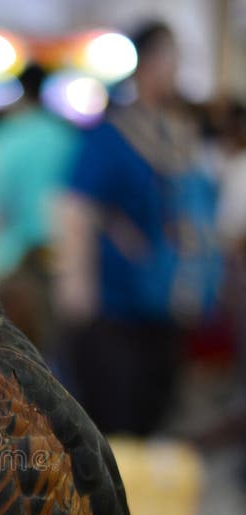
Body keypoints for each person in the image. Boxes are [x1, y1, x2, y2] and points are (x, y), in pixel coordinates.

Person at [57, 22, 221, 436]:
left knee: (156, 405)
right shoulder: (113, 135)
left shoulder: (181, 135)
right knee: (117, 411)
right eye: (168, 55)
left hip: (170, 298)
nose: (175, 67)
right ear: (144, 63)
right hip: (117, 302)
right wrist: (77, 286)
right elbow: (77, 209)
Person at [0, 63, 79, 356]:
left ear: (20, 93)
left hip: (15, 255)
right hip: (63, 251)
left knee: (15, 346)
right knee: (58, 341)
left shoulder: (4, 137)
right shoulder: (68, 137)